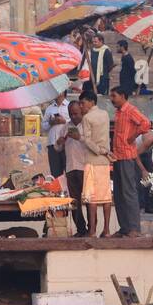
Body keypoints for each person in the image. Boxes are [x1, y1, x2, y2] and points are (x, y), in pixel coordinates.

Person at [110, 87, 151, 238]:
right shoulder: (119, 112)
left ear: (122, 95)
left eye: (114, 96)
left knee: (129, 193)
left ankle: (134, 228)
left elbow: (145, 123)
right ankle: (124, 228)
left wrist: (132, 136)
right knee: (119, 194)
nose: (111, 99)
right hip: (117, 157)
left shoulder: (130, 109)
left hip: (127, 156)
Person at [70, 90, 112, 237]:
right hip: (105, 161)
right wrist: (105, 151)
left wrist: (100, 150)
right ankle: (106, 230)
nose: (81, 106)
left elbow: (87, 140)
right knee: (106, 197)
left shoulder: (87, 118)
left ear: (91, 102)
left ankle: (92, 230)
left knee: (92, 197)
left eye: (82, 103)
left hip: (93, 160)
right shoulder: (105, 114)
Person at [60, 97, 90, 236]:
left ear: (81, 112)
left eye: (76, 113)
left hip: (84, 167)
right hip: (71, 168)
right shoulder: (65, 126)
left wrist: (79, 137)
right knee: (74, 202)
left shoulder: (86, 125)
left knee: (89, 200)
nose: (73, 116)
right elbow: (57, 148)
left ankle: (92, 229)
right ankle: (80, 229)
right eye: (71, 113)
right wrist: (59, 142)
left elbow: (92, 144)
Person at [43, 95, 69, 178]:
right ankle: (58, 190)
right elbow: (43, 126)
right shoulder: (49, 108)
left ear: (62, 92)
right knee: (55, 173)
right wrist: (51, 122)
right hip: (52, 144)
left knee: (69, 172)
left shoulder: (69, 106)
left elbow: (76, 122)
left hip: (67, 144)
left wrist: (64, 121)